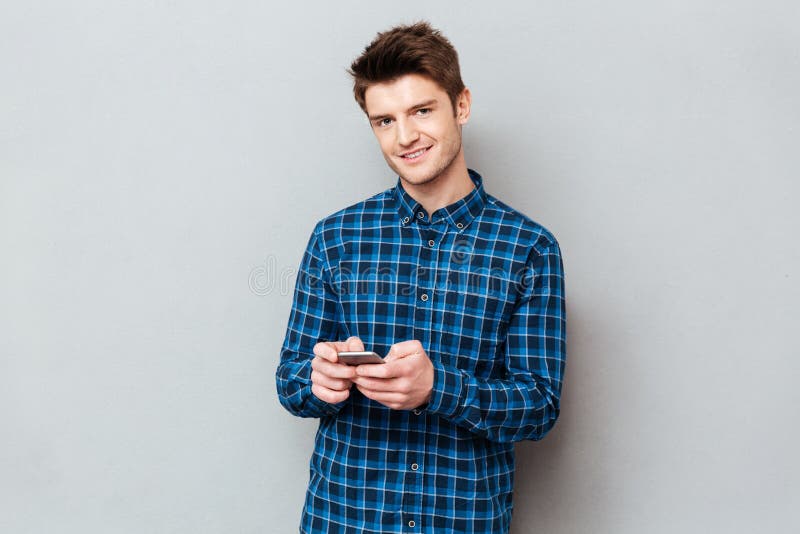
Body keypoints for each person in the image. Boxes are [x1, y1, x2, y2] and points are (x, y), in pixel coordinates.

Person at [276, 21, 566, 533]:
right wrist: (317, 381)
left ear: (461, 105)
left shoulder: (529, 249)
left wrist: (438, 387)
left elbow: (539, 406)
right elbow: (290, 382)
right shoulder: (334, 238)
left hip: (461, 521)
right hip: (343, 519)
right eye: (383, 121)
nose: (404, 137)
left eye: (421, 111)